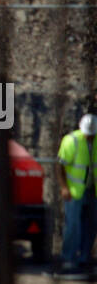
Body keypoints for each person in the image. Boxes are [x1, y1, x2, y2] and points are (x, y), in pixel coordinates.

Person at [58, 112, 97, 272]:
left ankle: (84, 258)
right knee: (73, 225)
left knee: (91, 225)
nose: (90, 137)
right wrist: (64, 187)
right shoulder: (71, 140)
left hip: (93, 191)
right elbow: (59, 165)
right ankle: (68, 258)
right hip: (74, 191)